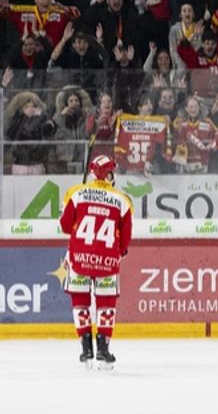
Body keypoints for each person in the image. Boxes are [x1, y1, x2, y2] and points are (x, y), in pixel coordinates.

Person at [59, 155, 132, 369]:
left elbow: (65, 226)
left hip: (79, 257)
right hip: (107, 260)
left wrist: (68, 208)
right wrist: (118, 253)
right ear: (109, 175)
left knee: (80, 302)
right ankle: (103, 349)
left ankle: (86, 348)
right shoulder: (122, 200)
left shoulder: (76, 194)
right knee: (106, 304)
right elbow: (125, 238)